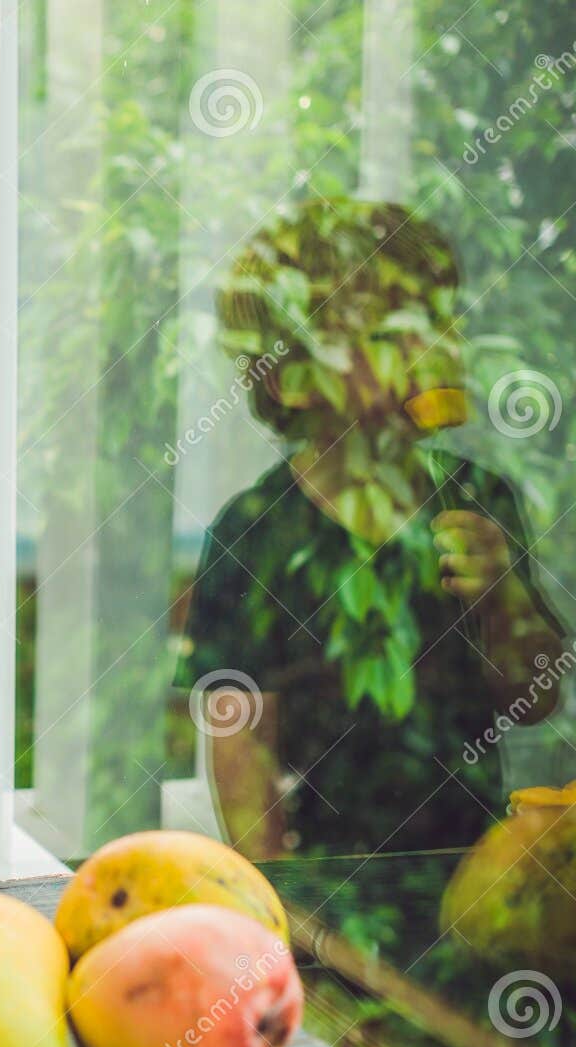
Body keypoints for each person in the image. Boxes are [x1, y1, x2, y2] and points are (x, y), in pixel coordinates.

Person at [175, 199, 567, 859]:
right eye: (388, 332)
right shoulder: (251, 536)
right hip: (324, 875)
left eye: (436, 321)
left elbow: (536, 700)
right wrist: (284, 909)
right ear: (295, 380)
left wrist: (502, 599)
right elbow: (243, 754)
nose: (430, 347)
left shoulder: (478, 500)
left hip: (474, 866)